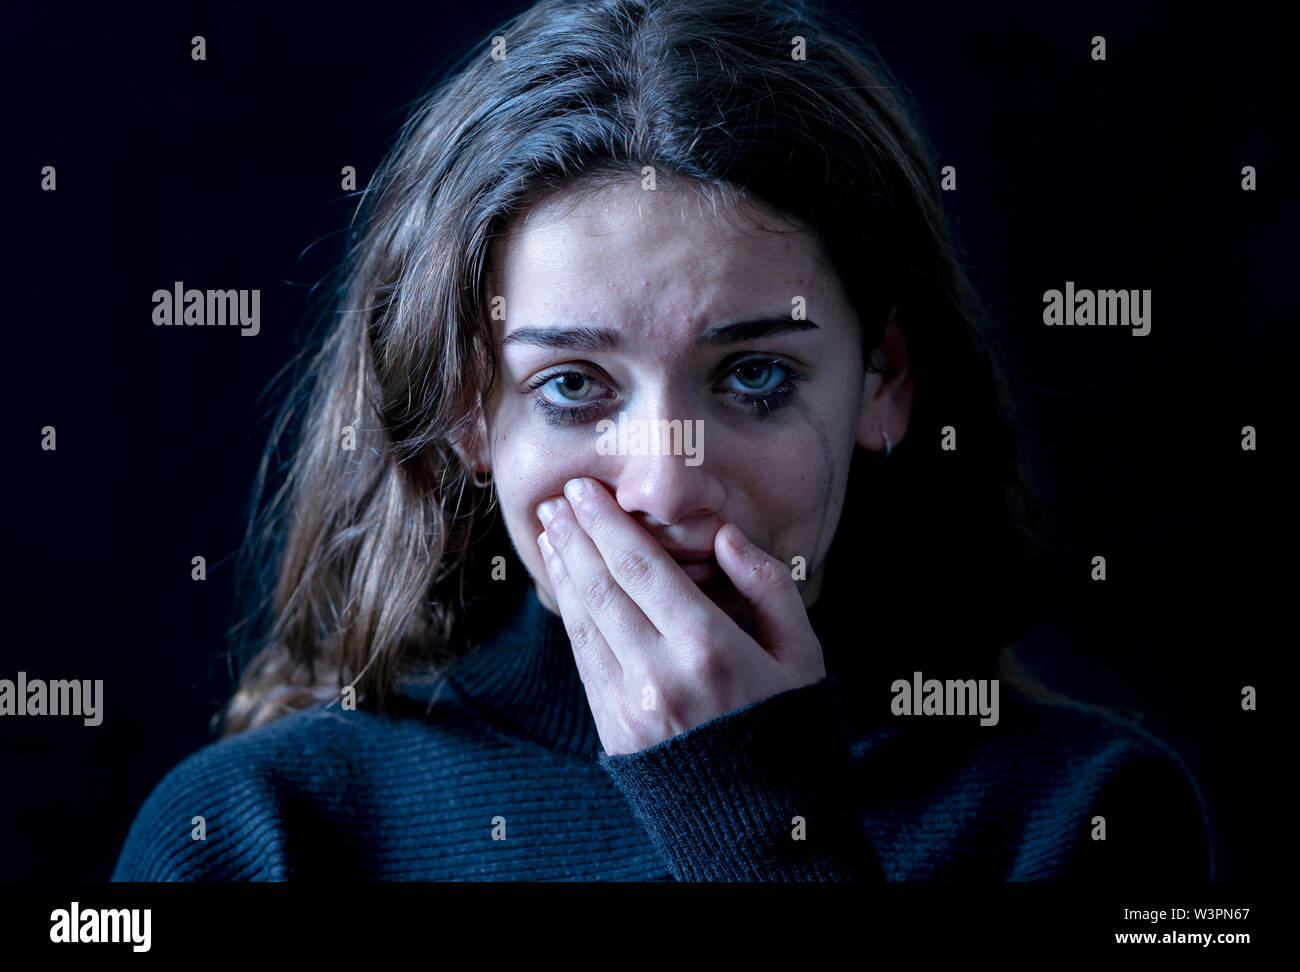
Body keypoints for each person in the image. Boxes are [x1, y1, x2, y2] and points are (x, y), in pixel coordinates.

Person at [112, 0, 1213, 881]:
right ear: (465, 411)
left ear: (882, 385)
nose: (666, 487)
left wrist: (752, 824)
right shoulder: (259, 832)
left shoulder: (1089, 818)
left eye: (754, 376)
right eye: (574, 386)